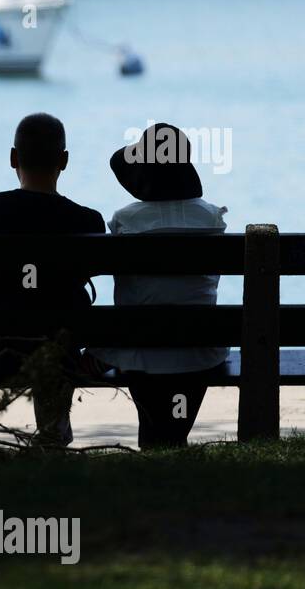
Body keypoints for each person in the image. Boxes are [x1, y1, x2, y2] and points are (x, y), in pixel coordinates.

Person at [0, 113, 105, 446]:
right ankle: (52, 433)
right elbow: (83, 278)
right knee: (58, 331)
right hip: (58, 349)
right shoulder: (89, 220)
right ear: (64, 161)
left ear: (13, 158)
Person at [86, 123, 228, 449]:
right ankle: (167, 455)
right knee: (172, 431)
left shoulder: (125, 220)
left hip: (141, 351)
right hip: (200, 350)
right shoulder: (211, 220)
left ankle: (158, 456)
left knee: (155, 428)